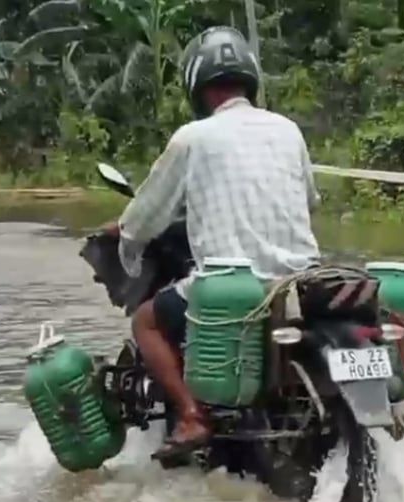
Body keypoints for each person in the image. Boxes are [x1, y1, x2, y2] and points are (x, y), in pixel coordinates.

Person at [104, 26, 321, 460]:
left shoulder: (193, 137)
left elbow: (146, 213)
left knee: (145, 323)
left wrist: (123, 232)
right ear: (250, 79)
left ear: (197, 86)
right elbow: (311, 200)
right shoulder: (288, 130)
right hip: (302, 282)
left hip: (233, 286)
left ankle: (191, 416)